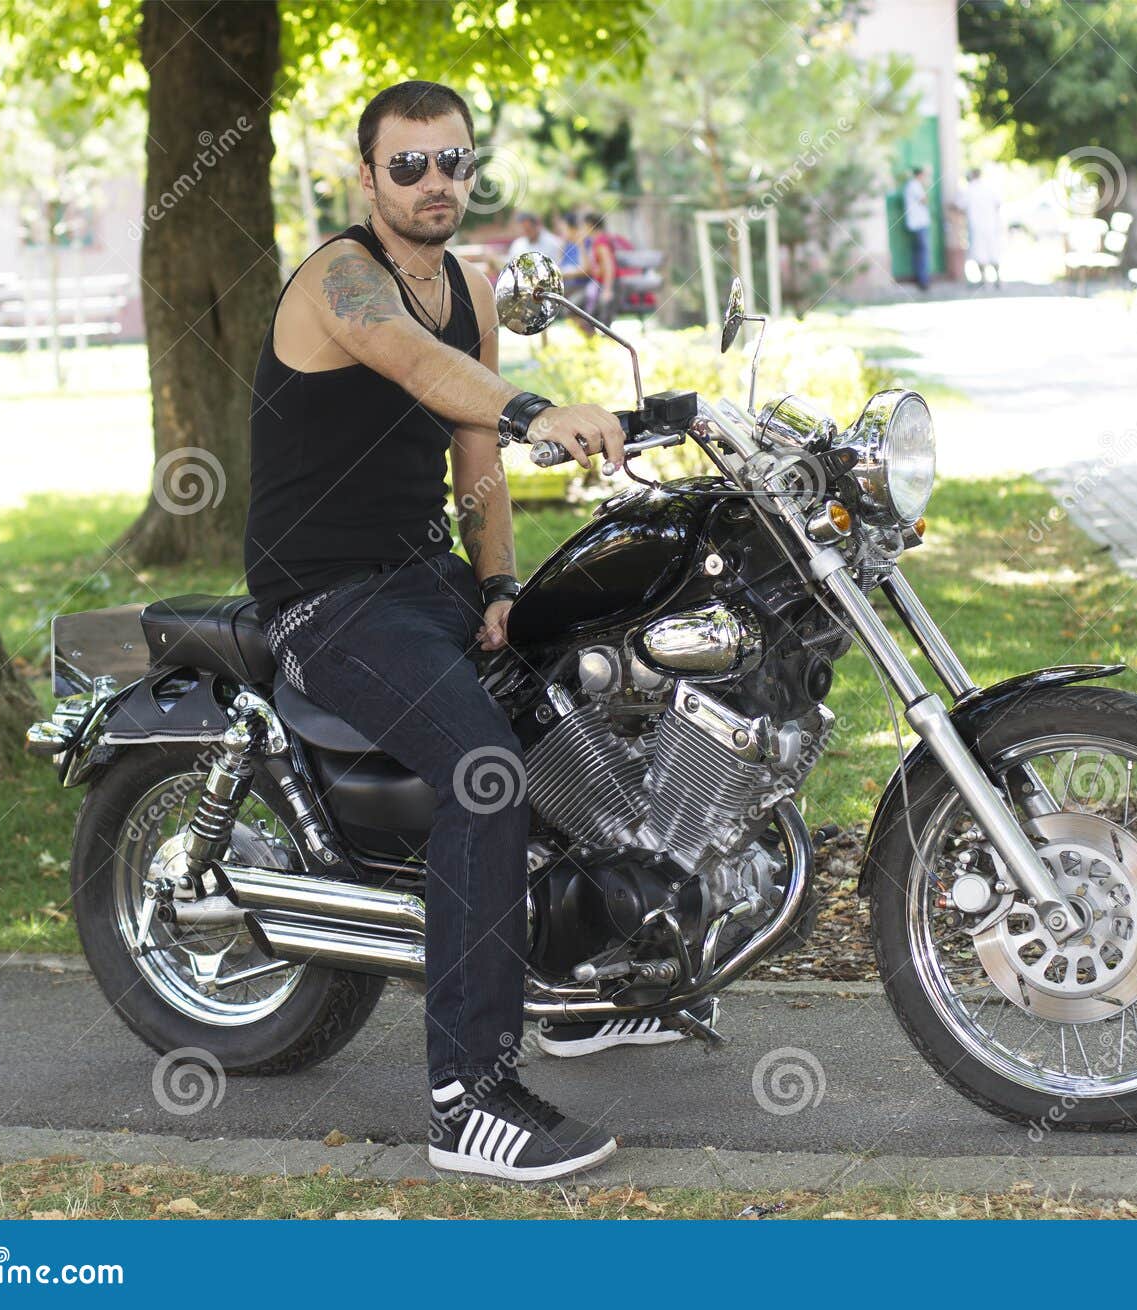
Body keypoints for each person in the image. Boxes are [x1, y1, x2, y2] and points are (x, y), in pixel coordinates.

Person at [243, 80, 703, 1183]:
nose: (434, 182)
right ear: (368, 178)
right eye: (409, 165)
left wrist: (499, 584)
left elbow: (473, 456)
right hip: (328, 593)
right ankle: (466, 1095)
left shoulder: (469, 285)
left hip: (426, 575)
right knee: (485, 767)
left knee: (601, 688)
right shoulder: (338, 276)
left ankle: (582, 987)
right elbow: (417, 364)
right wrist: (537, 407)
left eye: (453, 162)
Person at [962, 167, 1002, 289]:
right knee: (993, 249)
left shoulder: (969, 189)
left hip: (976, 225)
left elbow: (961, 205)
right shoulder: (989, 187)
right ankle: (997, 278)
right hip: (991, 224)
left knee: (979, 251)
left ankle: (983, 279)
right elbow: (998, 204)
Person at [902, 166, 931, 292]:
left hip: (916, 223)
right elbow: (924, 200)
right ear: (920, 175)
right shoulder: (915, 185)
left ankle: (921, 278)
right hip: (918, 223)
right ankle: (923, 280)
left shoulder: (911, 185)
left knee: (918, 251)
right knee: (922, 251)